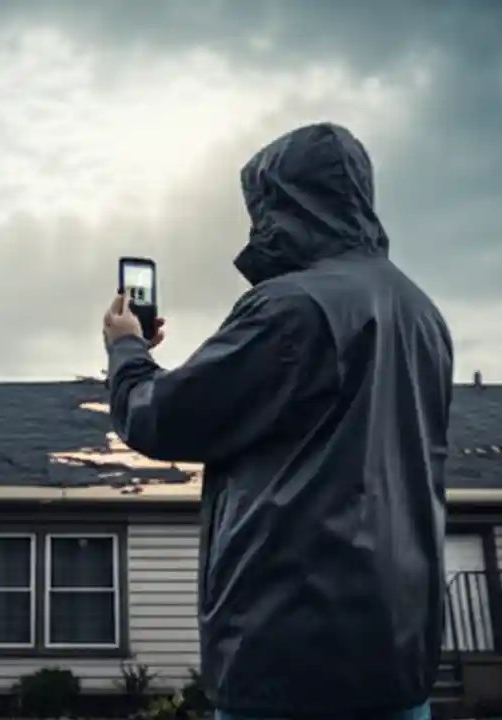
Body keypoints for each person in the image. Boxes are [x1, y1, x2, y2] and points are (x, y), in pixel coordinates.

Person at [101, 122, 453, 720]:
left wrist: (127, 350)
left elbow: (161, 419)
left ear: (283, 206)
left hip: (293, 653)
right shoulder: (422, 313)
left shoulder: (293, 304)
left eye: (260, 209)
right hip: (398, 653)